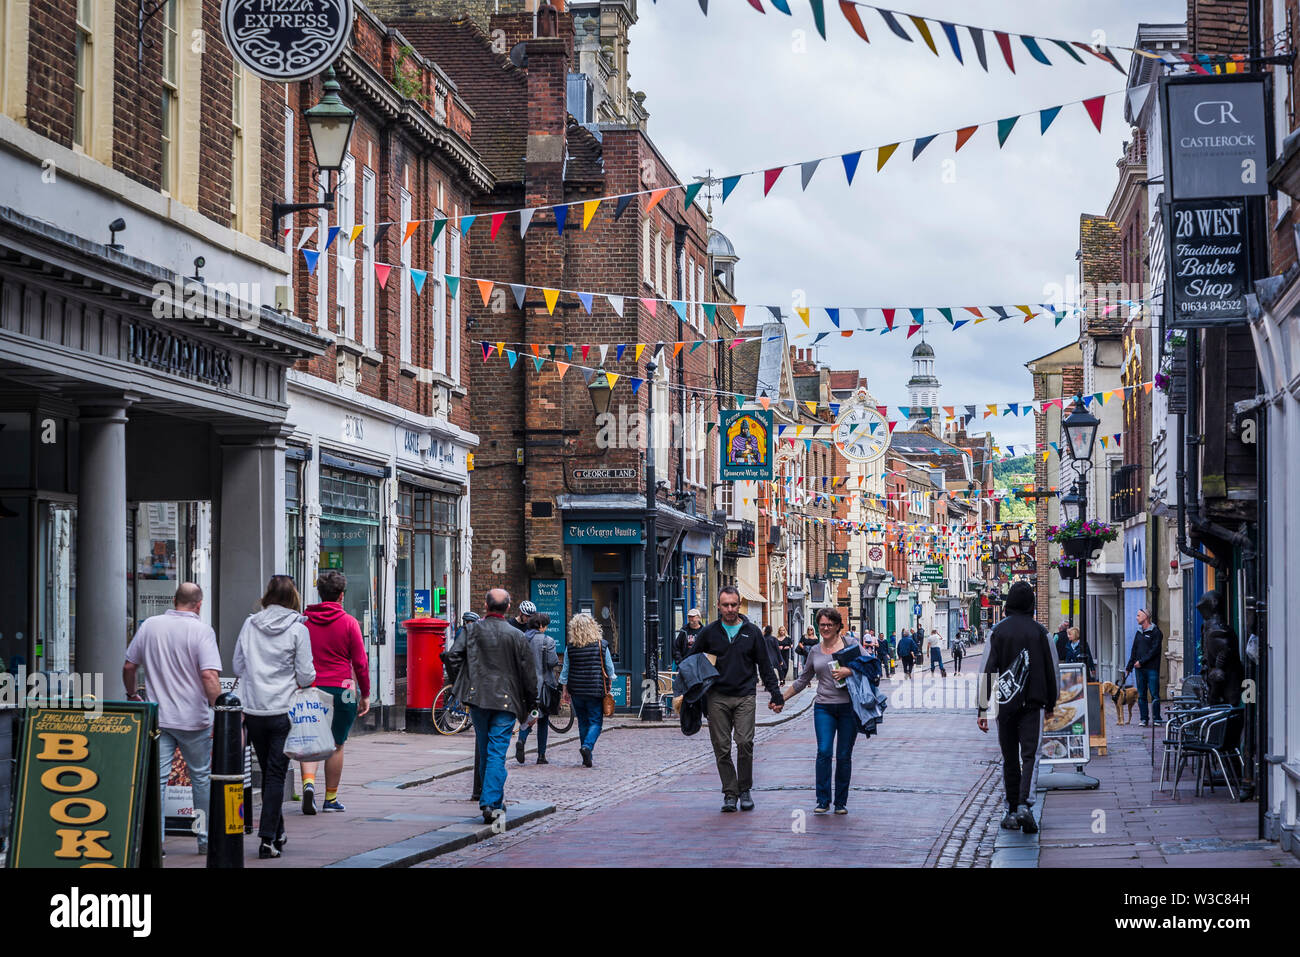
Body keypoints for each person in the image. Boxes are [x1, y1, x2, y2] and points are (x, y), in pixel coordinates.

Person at [123, 582, 221, 856]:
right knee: (201, 780)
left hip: (159, 718)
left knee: (158, 781)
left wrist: (132, 695)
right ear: (198, 605)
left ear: (174, 599)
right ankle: (203, 838)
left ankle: (157, 843)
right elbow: (209, 676)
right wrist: (220, 708)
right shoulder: (202, 631)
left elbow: (129, 666)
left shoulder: (151, 625)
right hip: (194, 720)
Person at [233, 575, 316, 859]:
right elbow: (306, 676)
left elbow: (237, 664)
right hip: (284, 709)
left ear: (267, 595)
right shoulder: (298, 629)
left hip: (254, 709)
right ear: (293, 596)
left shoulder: (249, 624)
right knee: (276, 774)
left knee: (270, 772)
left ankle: (278, 832)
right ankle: (267, 839)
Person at [444, 589, 537, 823]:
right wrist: (532, 705)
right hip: (506, 701)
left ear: (485, 606)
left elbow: (453, 656)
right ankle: (490, 802)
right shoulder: (517, 636)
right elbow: (529, 675)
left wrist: (461, 682)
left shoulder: (472, 630)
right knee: (496, 751)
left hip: (478, 698)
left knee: (486, 749)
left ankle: (492, 799)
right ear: (508, 608)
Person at [691, 586, 784, 812]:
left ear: (739, 604)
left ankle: (745, 789)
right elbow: (691, 661)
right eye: (726, 605)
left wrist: (776, 694)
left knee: (744, 742)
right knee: (721, 747)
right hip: (717, 696)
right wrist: (691, 692)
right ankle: (730, 793)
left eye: (734, 605)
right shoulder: (710, 632)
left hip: (744, 695)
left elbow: (765, 665)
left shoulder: (751, 632)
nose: (730, 609)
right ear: (719, 606)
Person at [977, 580, 1058, 835]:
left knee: (1009, 757)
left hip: (1005, 704)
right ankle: (1025, 804)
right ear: (1032, 604)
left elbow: (987, 672)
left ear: (1008, 604)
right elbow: (1052, 670)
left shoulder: (997, 632)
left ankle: (1011, 809)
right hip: (1033, 703)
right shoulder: (1040, 632)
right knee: (1030, 755)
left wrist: (982, 709)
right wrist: (1052, 702)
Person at [296, 570, 369, 815]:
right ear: (341, 595)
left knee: (310, 742)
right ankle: (330, 798)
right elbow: (360, 663)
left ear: (320, 593)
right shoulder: (349, 622)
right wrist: (366, 694)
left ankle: (308, 785)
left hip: (311, 687)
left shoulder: (304, 621)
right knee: (337, 744)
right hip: (344, 689)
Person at [780, 607, 858, 814]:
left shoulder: (851, 645)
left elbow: (871, 665)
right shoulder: (814, 651)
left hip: (848, 707)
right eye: (822, 624)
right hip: (824, 707)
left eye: (829, 625)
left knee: (843, 755)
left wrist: (847, 670)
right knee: (824, 752)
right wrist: (781, 699)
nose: (825, 628)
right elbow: (803, 680)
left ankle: (840, 803)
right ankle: (823, 800)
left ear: (838, 626)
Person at [560, 612, 616, 766]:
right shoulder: (601, 645)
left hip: (576, 690)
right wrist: (610, 684)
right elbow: (610, 669)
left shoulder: (570, 648)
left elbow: (565, 671)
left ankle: (587, 755)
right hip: (595, 690)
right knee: (596, 722)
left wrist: (565, 691)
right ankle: (587, 747)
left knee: (583, 722)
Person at [443, 611, 483, 800]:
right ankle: (488, 797)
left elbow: (454, 655)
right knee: (492, 748)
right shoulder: (467, 632)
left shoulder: (467, 632)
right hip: (488, 693)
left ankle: (482, 793)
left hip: (476, 690)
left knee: (484, 743)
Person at [516, 612, 560, 764]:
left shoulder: (522, 638)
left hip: (524, 686)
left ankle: (521, 739)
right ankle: (541, 755)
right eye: (546, 625)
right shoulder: (548, 641)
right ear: (541, 626)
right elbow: (552, 662)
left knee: (530, 715)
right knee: (543, 720)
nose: (546, 628)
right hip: (543, 687)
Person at [1123, 609, 1164, 726]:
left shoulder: (1156, 632)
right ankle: (1144, 719)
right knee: (1141, 694)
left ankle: (1157, 718)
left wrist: (1141, 662)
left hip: (1151, 668)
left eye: (1138, 615)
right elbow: (1134, 650)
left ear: (1145, 617)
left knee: (1154, 693)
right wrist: (1129, 666)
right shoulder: (1139, 632)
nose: (1136, 618)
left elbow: (1154, 651)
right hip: (1139, 669)